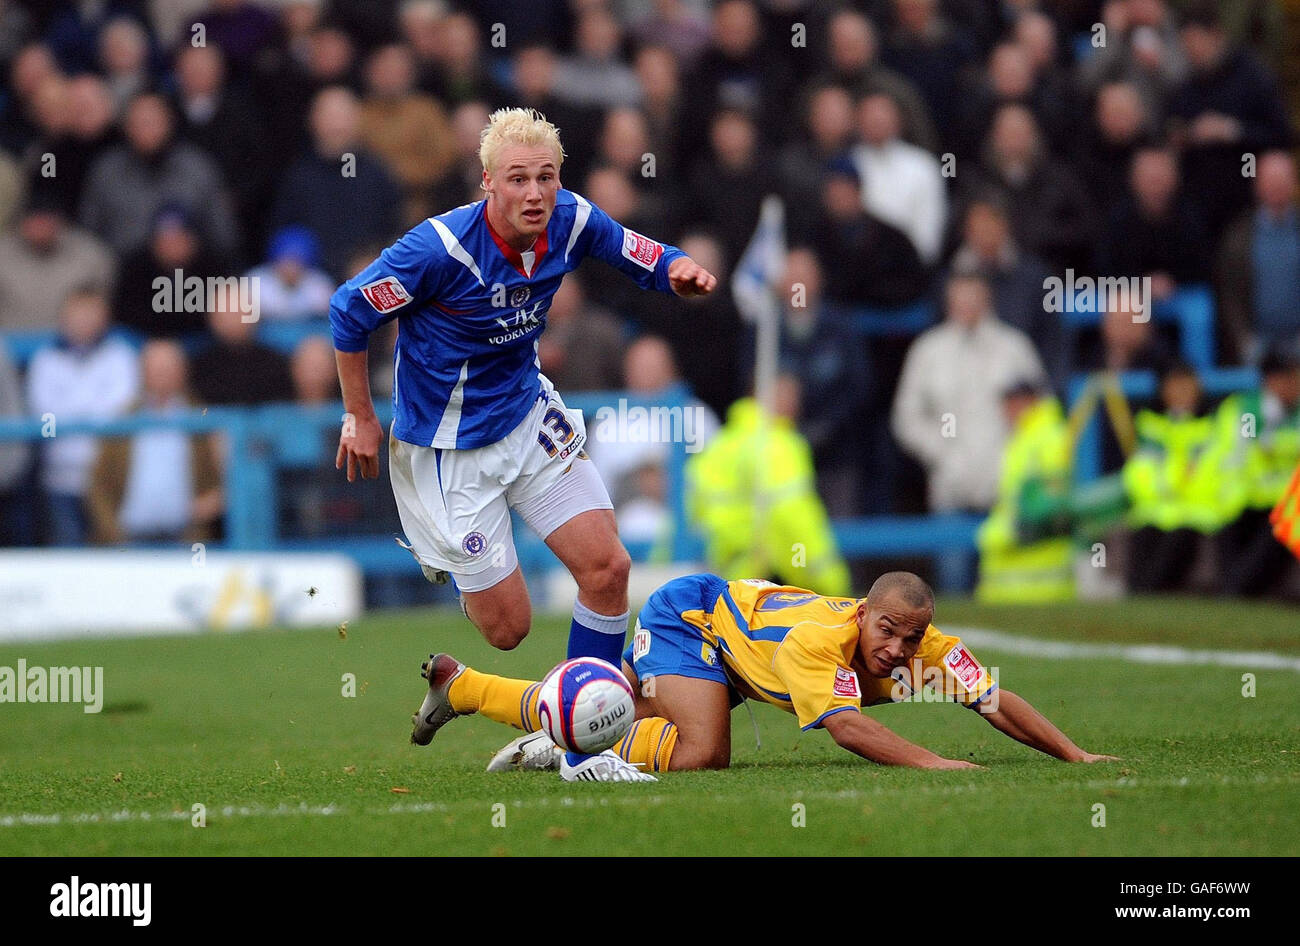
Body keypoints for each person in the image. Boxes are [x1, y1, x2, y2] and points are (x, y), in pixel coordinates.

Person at [332, 108, 716, 779]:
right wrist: (359, 417)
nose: (535, 193)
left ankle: (579, 751)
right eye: (518, 179)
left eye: (545, 177)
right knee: (508, 629)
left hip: (527, 415)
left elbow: (636, 252)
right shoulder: (438, 250)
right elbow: (349, 310)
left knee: (608, 570)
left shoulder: (570, 217)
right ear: (488, 183)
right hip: (448, 452)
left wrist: (678, 268)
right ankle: (463, 643)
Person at [411, 571, 1116, 780]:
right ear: (863, 615)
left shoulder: (928, 650)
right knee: (701, 751)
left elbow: (994, 700)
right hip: (696, 620)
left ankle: (464, 686)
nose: (899, 651)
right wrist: (935, 763)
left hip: (741, 640)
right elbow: (845, 728)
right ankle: (568, 742)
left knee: (636, 711)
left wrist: (1075, 754)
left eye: (912, 639)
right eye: (887, 632)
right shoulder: (820, 644)